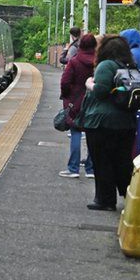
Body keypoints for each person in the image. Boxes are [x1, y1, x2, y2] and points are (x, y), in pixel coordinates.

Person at [78, 34, 138, 211]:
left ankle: (105, 200)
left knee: (102, 161)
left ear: (104, 50)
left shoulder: (106, 65)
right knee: (122, 161)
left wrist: (89, 83)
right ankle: (130, 196)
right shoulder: (130, 67)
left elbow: (101, 91)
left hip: (102, 124)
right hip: (126, 123)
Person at [59, 33, 95, 178]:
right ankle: (91, 169)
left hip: (75, 101)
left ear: (80, 46)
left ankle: (73, 168)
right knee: (92, 134)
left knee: (75, 132)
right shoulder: (98, 62)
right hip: (93, 101)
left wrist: (67, 95)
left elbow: (65, 82)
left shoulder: (74, 62)